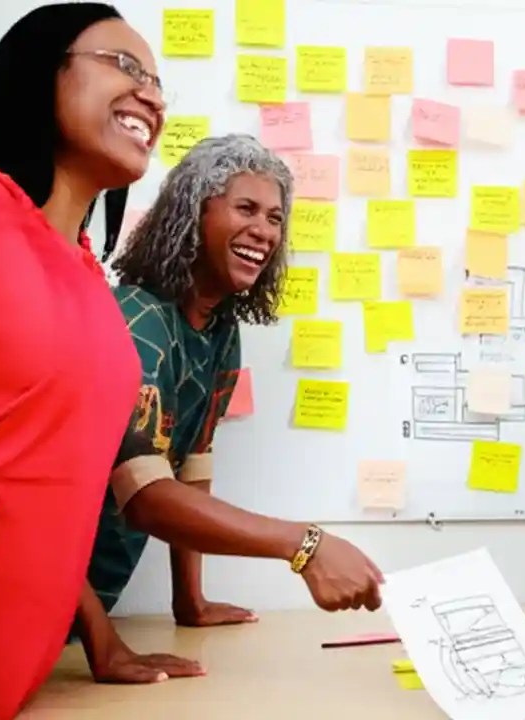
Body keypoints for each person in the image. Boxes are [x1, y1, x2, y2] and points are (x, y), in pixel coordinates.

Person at [74, 134, 386, 684]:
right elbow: (144, 497)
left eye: (274, 217)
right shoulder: (137, 321)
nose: (265, 231)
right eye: (246, 208)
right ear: (192, 216)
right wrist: (305, 546)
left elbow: (191, 466)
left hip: (76, 621)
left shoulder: (220, 330)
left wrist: (189, 601)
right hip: (38, 604)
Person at [0, 4, 163, 718]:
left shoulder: (89, 282)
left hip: (14, 690)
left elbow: (43, 482)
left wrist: (99, 634)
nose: (150, 96)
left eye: (157, 82)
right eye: (122, 65)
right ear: (39, 73)